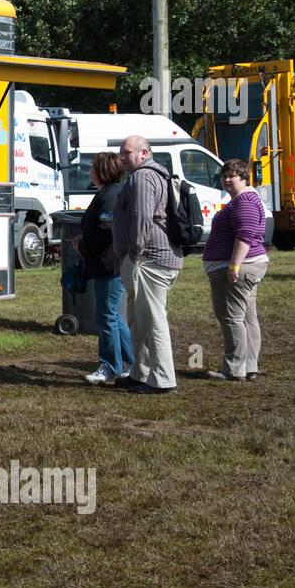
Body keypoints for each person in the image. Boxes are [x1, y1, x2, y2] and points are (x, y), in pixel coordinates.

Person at [112, 135, 183, 394]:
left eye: (127, 152)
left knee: (152, 320)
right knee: (137, 319)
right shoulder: (155, 174)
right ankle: (140, 372)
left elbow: (142, 216)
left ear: (144, 153)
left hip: (149, 259)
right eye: (120, 153)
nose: (122, 157)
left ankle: (163, 380)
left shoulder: (143, 176)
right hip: (153, 258)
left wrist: (136, 252)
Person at [202, 159, 270, 381]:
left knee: (232, 317)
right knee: (247, 318)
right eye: (224, 175)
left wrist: (233, 266)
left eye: (233, 175)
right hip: (246, 266)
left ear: (244, 177)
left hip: (240, 268)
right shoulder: (244, 200)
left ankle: (234, 368)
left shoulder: (245, 202)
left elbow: (245, 235)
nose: (227, 179)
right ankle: (250, 366)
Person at [75, 151, 133, 385]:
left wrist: (84, 243)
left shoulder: (111, 195)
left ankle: (110, 366)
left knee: (106, 315)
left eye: (93, 168)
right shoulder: (108, 193)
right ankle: (132, 360)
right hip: (106, 263)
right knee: (111, 315)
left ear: (102, 171)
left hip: (110, 264)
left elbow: (106, 230)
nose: (89, 172)